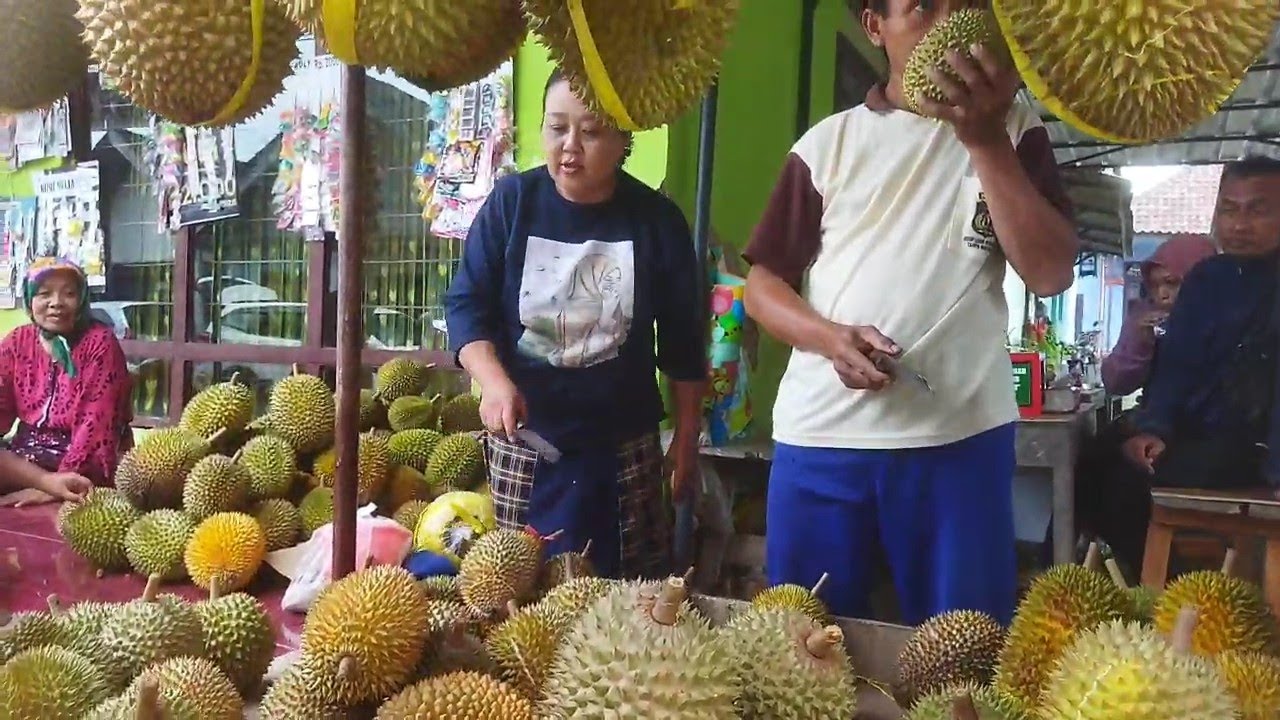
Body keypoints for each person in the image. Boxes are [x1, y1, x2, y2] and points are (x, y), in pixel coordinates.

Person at [742, 0, 1077, 625]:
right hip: (822, 440)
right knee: (802, 647)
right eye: (922, 7)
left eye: (963, 4)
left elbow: (1052, 272)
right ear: (875, 28)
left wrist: (983, 140)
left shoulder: (1015, 127)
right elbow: (763, 285)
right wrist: (829, 338)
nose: (948, 21)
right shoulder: (828, 144)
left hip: (959, 440)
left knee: (964, 657)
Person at [444, 70, 707, 580]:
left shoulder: (655, 221)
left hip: (623, 447)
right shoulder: (512, 203)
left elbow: (681, 341)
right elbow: (465, 305)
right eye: (556, 128)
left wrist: (688, 435)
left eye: (590, 132)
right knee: (520, 594)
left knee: (628, 597)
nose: (569, 147)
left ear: (624, 139)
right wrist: (493, 382)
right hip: (525, 440)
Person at [1086, 158, 1280, 576]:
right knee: (1098, 462)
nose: (1240, 224)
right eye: (1229, 209)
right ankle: (1166, 591)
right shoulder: (1207, 279)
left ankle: (1182, 596)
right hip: (1199, 436)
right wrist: (1154, 428)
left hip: (1257, 447)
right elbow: (1177, 367)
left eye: (1258, 209)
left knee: (1123, 483)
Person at [0, 258, 134, 508]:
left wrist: (56, 485)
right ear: (30, 299)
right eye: (44, 294)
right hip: (26, 462)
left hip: (85, 467)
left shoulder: (99, 344)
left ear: (82, 300)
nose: (56, 303)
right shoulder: (17, 342)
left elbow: (96, 428)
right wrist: (41, 480)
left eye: (69, 294)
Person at [1101, 234, 1217, 396]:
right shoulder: (1146, 319)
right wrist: (1140, 342)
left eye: (1172, 283)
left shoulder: (1230, 317)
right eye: (1154, 285)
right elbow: (1115, 384)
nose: (1161, 294)